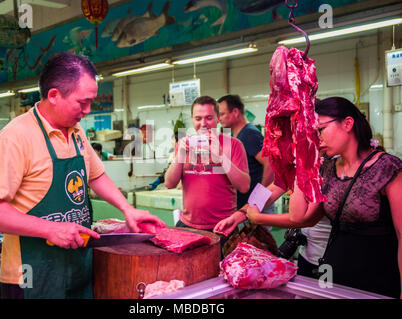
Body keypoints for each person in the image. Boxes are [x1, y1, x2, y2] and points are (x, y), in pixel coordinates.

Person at [0, 52, 165, 299]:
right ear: (54, 95)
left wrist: (127, 209)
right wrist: (49, 229)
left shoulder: (75, 130)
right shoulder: (15, 138)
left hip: (76, 266)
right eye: (82, 103)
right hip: (31, 274)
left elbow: (96, 175)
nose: (88, 110)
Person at [225, 97, 401, 297]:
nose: (294, 135)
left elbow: (302, 217)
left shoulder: (335, 158)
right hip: (314, 255)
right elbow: (277, 185)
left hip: (341, 256)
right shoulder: (317, 157)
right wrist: (241, 213)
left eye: (300, 128)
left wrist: (259, 217)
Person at [164, 96, 250, 253]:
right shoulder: (184, 145)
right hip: (188, 226)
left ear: (218, 118)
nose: (203, 123)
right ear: (192, 119)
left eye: (209, 118)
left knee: (224, 274)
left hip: (223, 227)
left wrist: (220, 155)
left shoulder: (234, 145)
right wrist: (180, 155)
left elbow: (244, 186)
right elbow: (169, 183)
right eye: (198, 118)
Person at [218, 94, 276, 225]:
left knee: (256, 244)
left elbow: (270, 164)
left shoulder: (249, 134)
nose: (219, 118)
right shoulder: (234, 136)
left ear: (235, 112)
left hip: (255, 206)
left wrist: (260, 197)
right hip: (244, 205)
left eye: (221, 114)